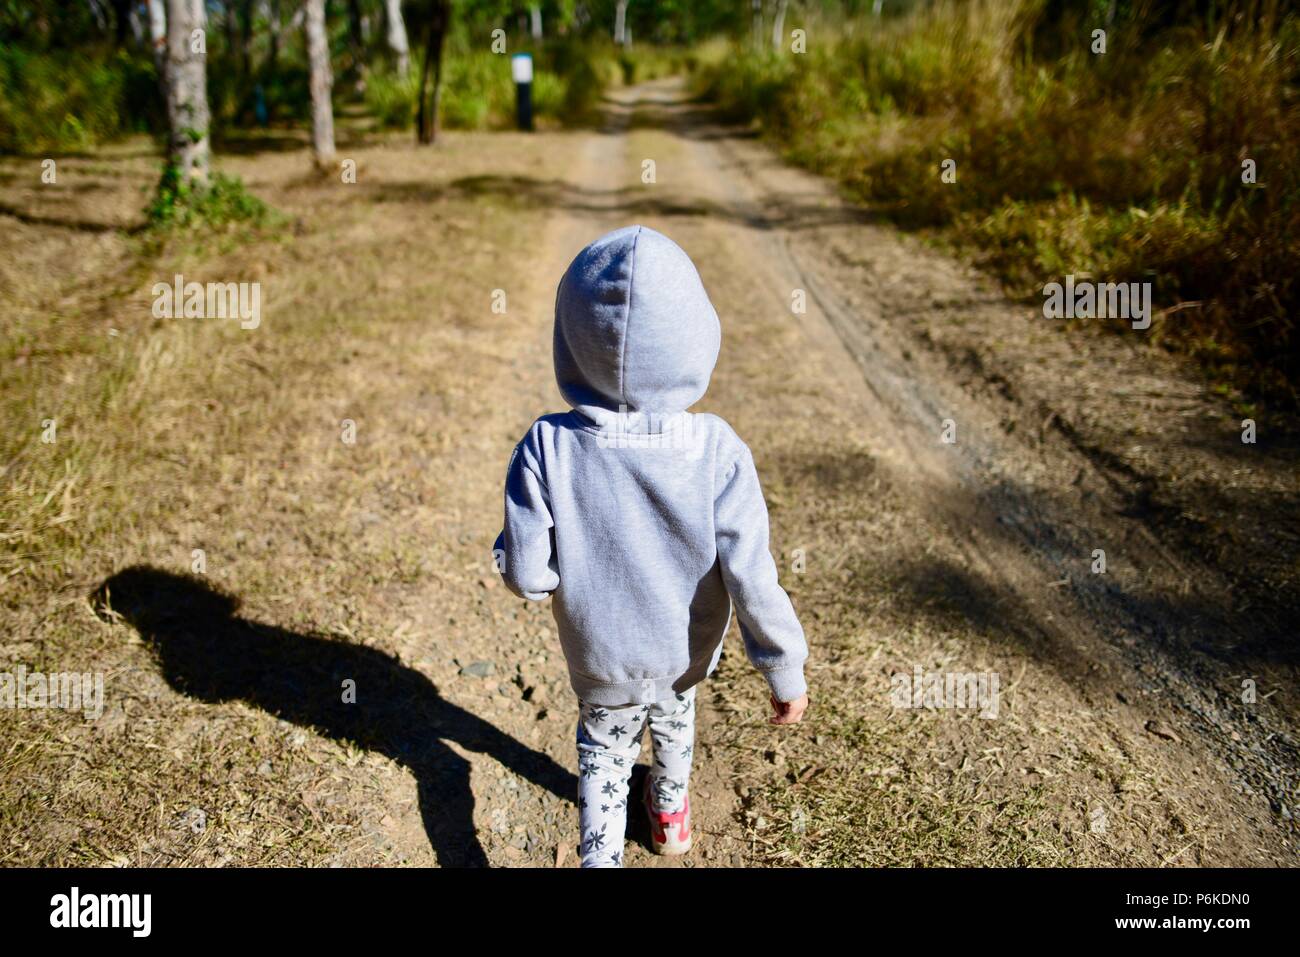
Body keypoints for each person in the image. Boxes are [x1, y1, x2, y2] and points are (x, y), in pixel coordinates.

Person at [494, 225, 809, 868]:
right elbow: (752, 576)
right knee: (674, 725)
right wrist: (783, 666)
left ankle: (600, 857)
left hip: (600, 654)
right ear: (697, 337)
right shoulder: (718, 451)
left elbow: (528, 574)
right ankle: (669, 819)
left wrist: (539, 574)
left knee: (604, 754)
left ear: (570, 342)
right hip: (682, 654)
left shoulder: (546, 446)